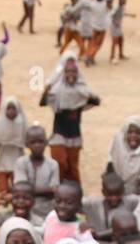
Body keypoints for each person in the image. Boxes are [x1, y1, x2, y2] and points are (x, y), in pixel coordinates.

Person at [41, 54, 99, 184]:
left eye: (74, 71)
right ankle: (57, 190)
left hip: (74, 136)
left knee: (73, 168)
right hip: (59, 133)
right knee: (59, 163)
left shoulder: (82, 91)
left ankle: (74, 195)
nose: (71, 74)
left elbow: (96, 101)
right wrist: (47, 90)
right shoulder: (56, 91)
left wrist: (86, 94)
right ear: (63, 73)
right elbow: (43, 102)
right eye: (67, 72)